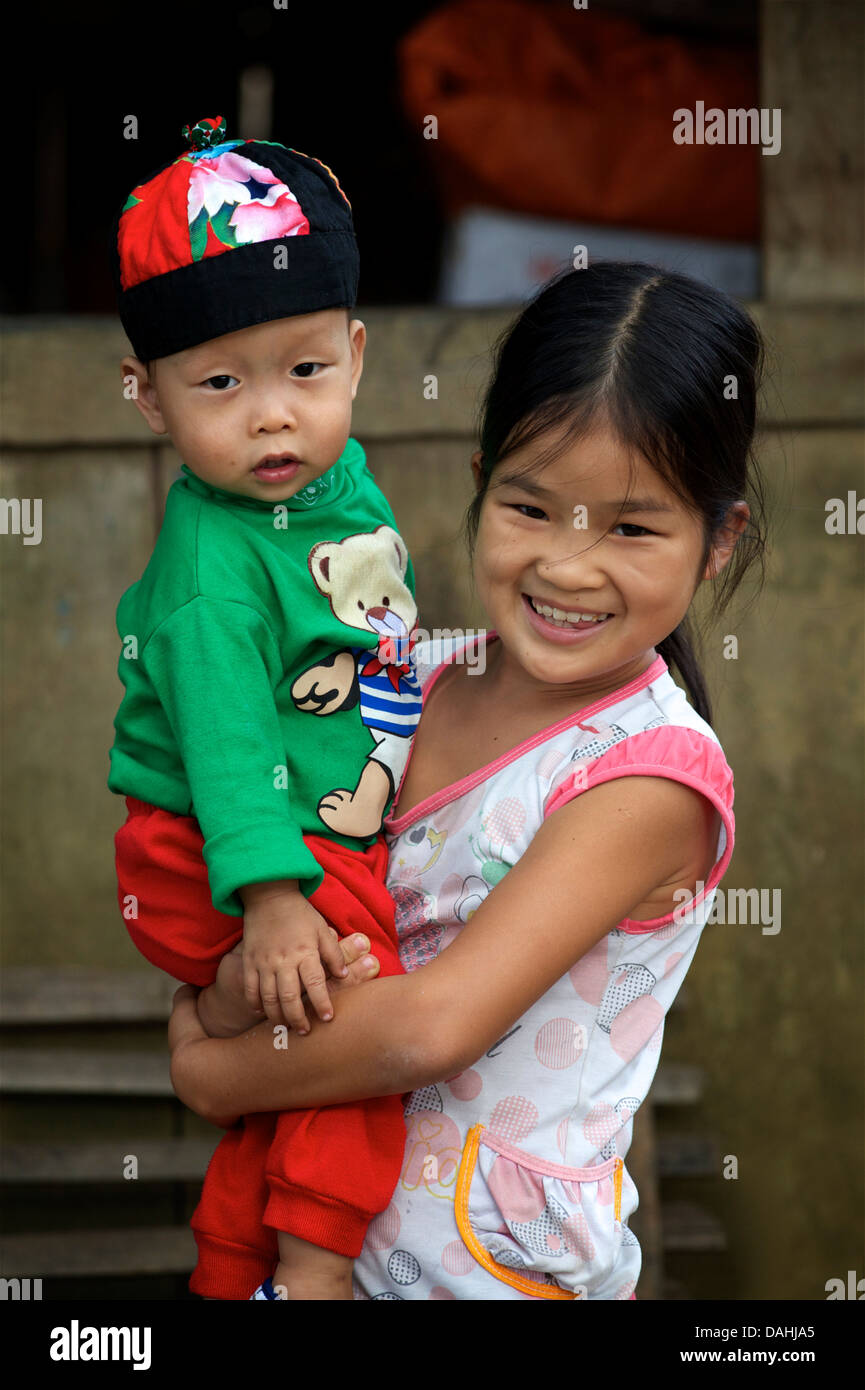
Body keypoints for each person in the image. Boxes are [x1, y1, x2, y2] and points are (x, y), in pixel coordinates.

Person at [167, 261, 768, 1300]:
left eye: (631, 527)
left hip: (488, 1270)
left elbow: (428, 1026)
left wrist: (207, 1067)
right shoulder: (409, 678)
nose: (569, 568)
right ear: (481, 478)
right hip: (321, 1242)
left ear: (719, 540)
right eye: (530, 507)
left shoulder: (654, 774)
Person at [107, 115, 424, 1300]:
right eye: (220, 385)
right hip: (219, 845)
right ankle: (315, 1262)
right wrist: (274, 904)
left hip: (302, 826)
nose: (274, 415)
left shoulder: (337, 483)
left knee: (289, 1069)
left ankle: (231, 1266)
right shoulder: (208, 570)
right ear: (149, 397)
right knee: (363, 1017)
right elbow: (230, 746)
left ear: (355, 353)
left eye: (305, 371)